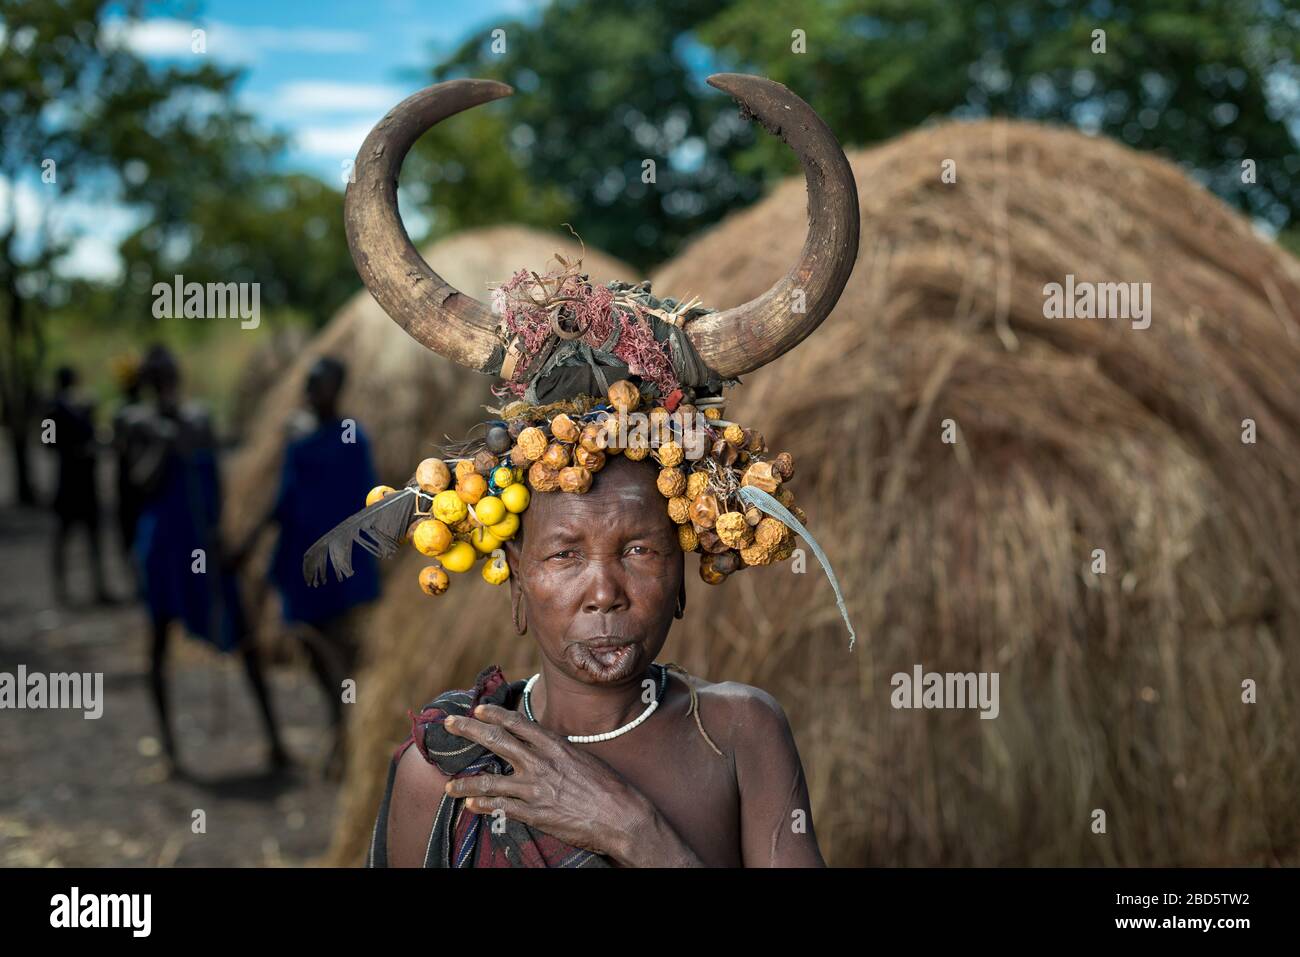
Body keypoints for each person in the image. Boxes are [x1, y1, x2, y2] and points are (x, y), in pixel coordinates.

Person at [307, 72, 860, 866]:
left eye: (639, 549)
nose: (603, 589)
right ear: (514, 575)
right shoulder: (445, 771)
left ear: (682, 572)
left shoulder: (744, 734)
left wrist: (633, 830)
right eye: (564, 554)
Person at [129, 345, 288, 776]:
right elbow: (137, 485)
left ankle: (276, 741)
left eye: (168, 375)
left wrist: (223, 538)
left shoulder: (199, 419)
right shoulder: (138, 424)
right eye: (156, 377)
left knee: (243, 638)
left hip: (203, 546)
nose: (164, 384)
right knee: (159, 643)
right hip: (162, 550)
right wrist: (163, 444)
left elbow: (213, 482)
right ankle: (169, 752)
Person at [232, 356, 380, 777]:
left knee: (339, 647)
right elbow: (285, 497)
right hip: (300, 556)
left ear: (338, 387)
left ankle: (346, 736)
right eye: (310, 384)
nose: (312, 392)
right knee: (311, 644)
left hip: (341, 559)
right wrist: (251, 541)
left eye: (321, 384)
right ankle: (339, 729)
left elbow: (365, 500)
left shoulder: (353, 438)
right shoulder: (297, 433)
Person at [46, 366, 111, 605]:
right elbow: (48, 443)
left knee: (89, 536)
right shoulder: (55, 410)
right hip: (70, 482)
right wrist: (75, 450)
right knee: (65, 537)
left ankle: (96, 587)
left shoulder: (81, 408)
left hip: (82, 482)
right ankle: (63, 591)